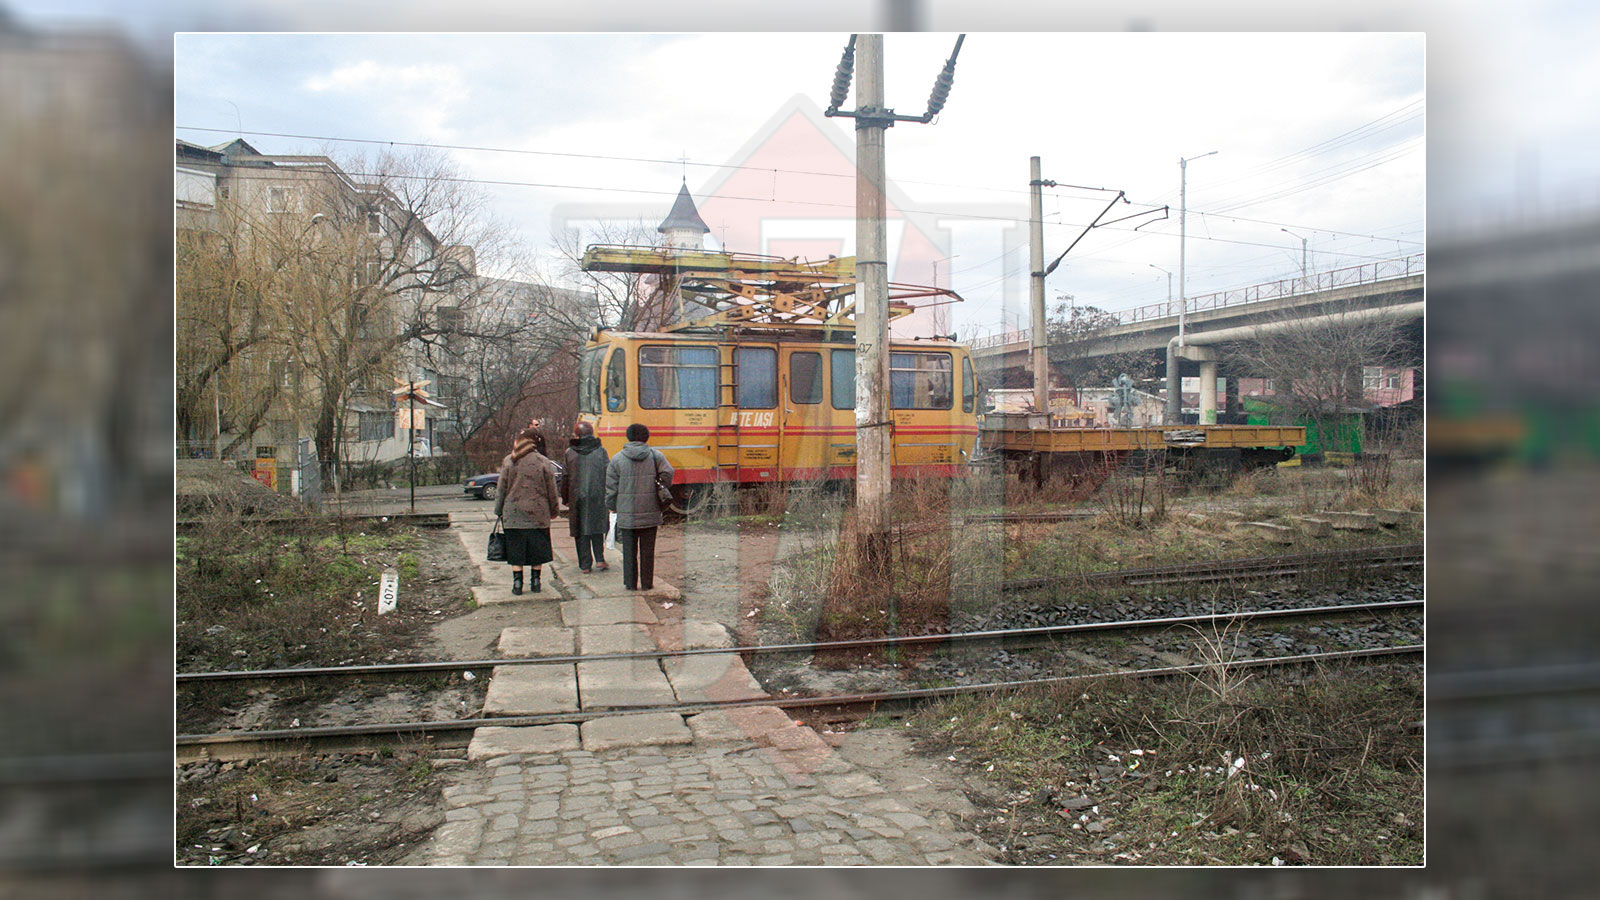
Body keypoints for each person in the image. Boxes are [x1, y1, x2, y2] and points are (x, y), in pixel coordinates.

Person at [605, 422, 673, 591]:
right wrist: (660, 487)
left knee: (629, 552)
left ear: (628, 437)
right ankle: (647, 584)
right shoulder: (655, 456)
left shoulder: (617, 459)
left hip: (627, 514)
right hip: (650, 512)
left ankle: (630, 583)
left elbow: (611, 488)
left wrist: (612, 506)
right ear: (646, 437)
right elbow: (668, 472)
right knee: (647, 552)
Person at [493, 427, 559, 595]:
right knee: (537, 549)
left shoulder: (509, 460)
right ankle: (536, 581)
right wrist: (554, 510)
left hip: (513, 514)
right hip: (538, 513)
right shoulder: (543, 461)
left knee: (515, 549)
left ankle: (517, 583)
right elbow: (552, 490)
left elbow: (501, 489)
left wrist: (498, 510)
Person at [561, 420, 610, 574]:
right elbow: (607, 473)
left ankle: (585, 565)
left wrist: (565, 498)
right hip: (597, 494)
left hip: (577, 496)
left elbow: (565, 477)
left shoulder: (570, 453)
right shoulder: (601, 451)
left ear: (577, 435)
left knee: (580, 530)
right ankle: (600, 559)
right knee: (597, 527)